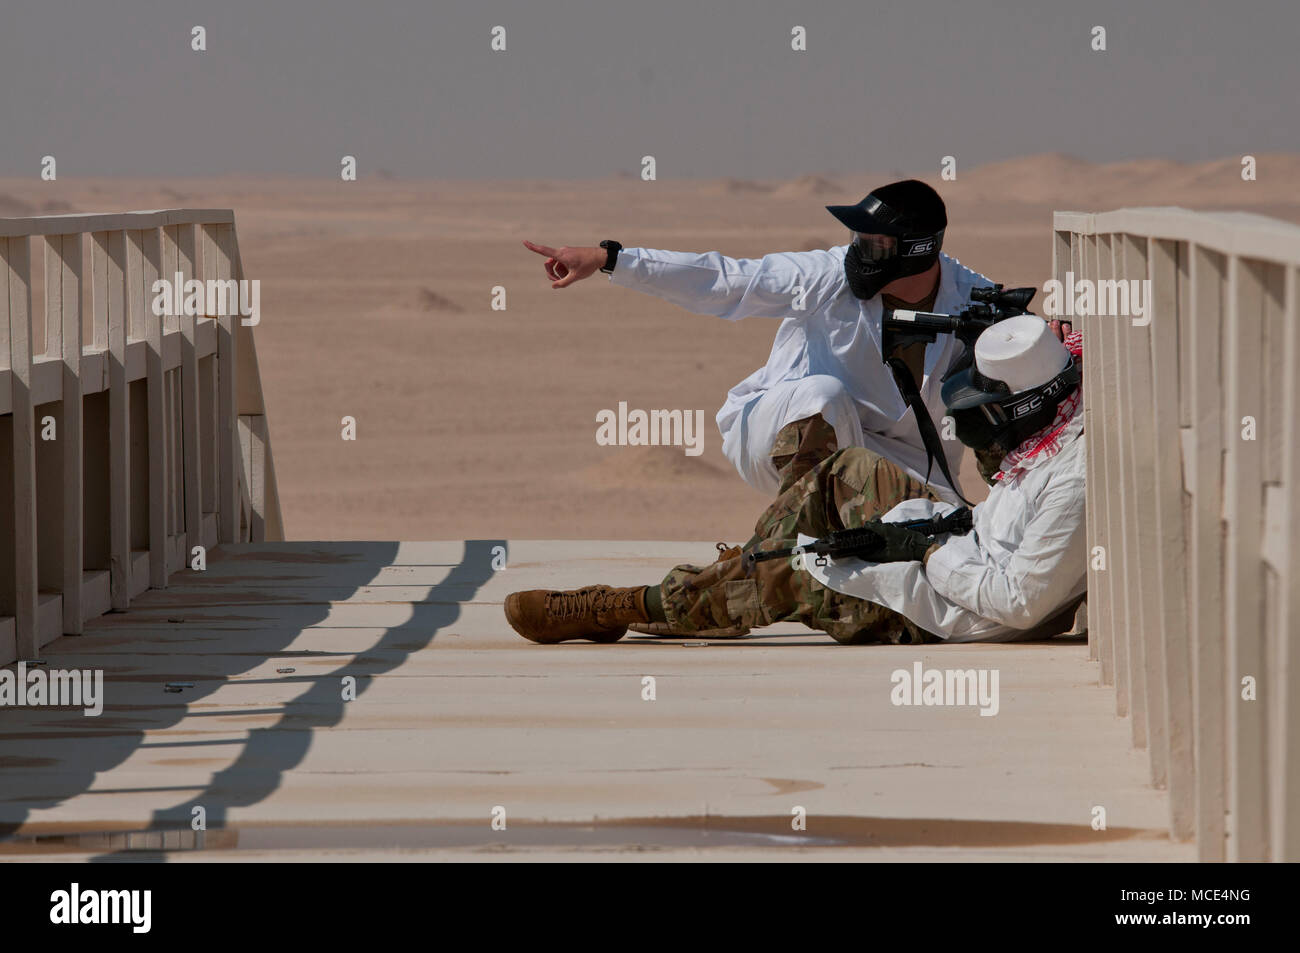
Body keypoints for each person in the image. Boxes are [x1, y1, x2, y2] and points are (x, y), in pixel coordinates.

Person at [504, 315, 1087, 645]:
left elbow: (1021, 602)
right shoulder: (1056, 432)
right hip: (959, 551)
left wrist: (927, 551)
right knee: (844, 471)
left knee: (794, 571)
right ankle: (745, 570)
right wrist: (937, 530)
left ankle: (632, 606)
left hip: (945, 613)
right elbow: (1001, 526)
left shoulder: (1073, 479)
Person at [524, 179, 1071, 501]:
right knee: (824, 396)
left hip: (883, 451)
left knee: (947, 520)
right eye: (857, 236)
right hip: (776, 430)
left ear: (915, 250)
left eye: (874, 242)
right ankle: (798, 537)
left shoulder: (970, 297)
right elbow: (726, 281)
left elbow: (1029, 350)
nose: (858, 250)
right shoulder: (825, 275)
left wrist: (1052, 340)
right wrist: (610, 259)